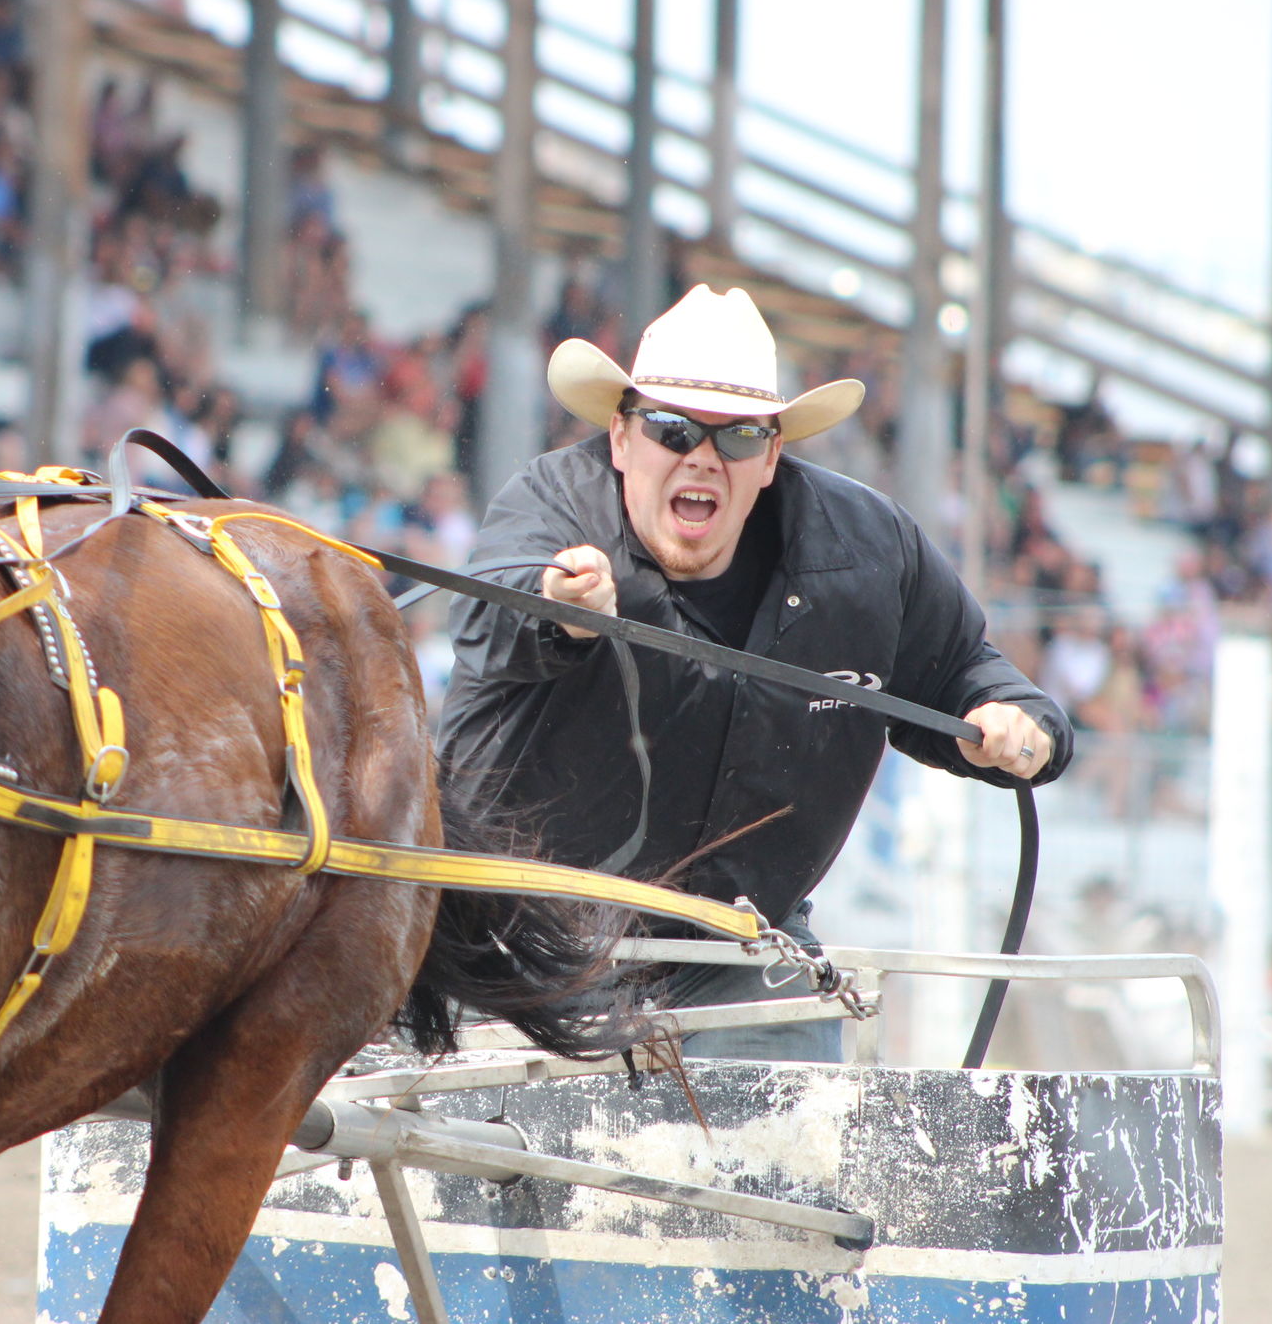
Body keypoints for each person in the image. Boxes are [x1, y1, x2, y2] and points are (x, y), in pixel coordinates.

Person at [438, 285, 1073, 1061]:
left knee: (800, 1160)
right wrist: (559, 610)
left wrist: (1015, 720)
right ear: (620, 437)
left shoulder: (871, 549)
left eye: (736, 437)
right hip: (517, 940)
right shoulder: (550, 504)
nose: (701, 456)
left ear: (770, 454)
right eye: (671, 430)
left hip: (739, 949)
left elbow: (968, 669)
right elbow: (481, 616)